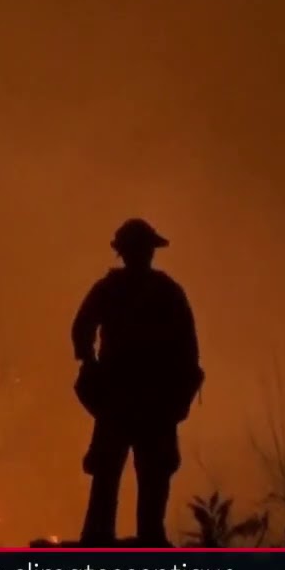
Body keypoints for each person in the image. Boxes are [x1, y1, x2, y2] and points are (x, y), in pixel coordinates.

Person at [71, 217, 203, 546]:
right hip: (138, 397)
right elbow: (83, 328)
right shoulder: (165, 291)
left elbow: (82, 328)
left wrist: (90, 364)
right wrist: (89, 363)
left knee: (137, 469)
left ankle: (114, 536)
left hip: (134, 397)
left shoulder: (124, 289)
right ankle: (133, 536)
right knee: (123, 468)